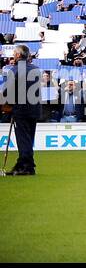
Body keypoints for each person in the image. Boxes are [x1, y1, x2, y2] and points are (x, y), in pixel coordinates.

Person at [2, 47, 40, 176]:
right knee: (28, 139)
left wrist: (7, 105)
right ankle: (26, 165)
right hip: (34, 109)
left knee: (23, 139)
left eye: (14, 54)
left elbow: (8, 92)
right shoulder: (35, 69)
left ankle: (25, 166)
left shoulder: (15, 70)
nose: (13, 56)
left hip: (21, 110)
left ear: (18, 55)